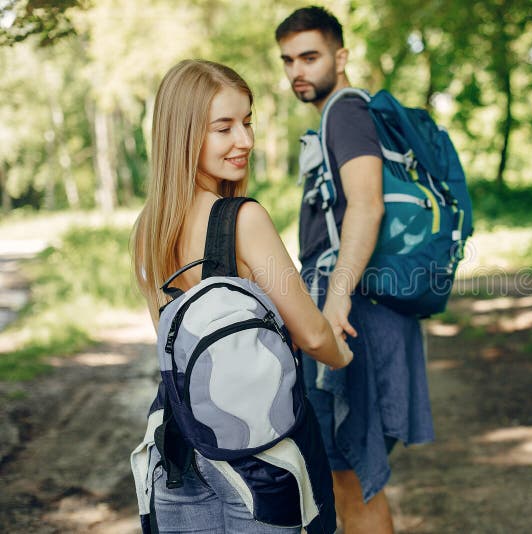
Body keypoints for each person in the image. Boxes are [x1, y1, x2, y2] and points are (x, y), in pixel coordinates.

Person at [130, 59, 352, 533]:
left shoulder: (148, 228)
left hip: (179, 444)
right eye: (224, 127)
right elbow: (312, 334)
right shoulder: (242, 220)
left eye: (247, 122)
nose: (245, 141)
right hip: (261, 448)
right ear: (184, 133)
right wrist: (342, 353)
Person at [275, 7, 435, 533]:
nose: (298, 70)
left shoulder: (344, 112)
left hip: (353, 313)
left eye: (310, 56)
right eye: (288, 60)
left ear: (340, 57)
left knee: (351, 476)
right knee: (349, 476)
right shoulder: (341, 115)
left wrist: (336, 298)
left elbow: (368, 204)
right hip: (364, 308)